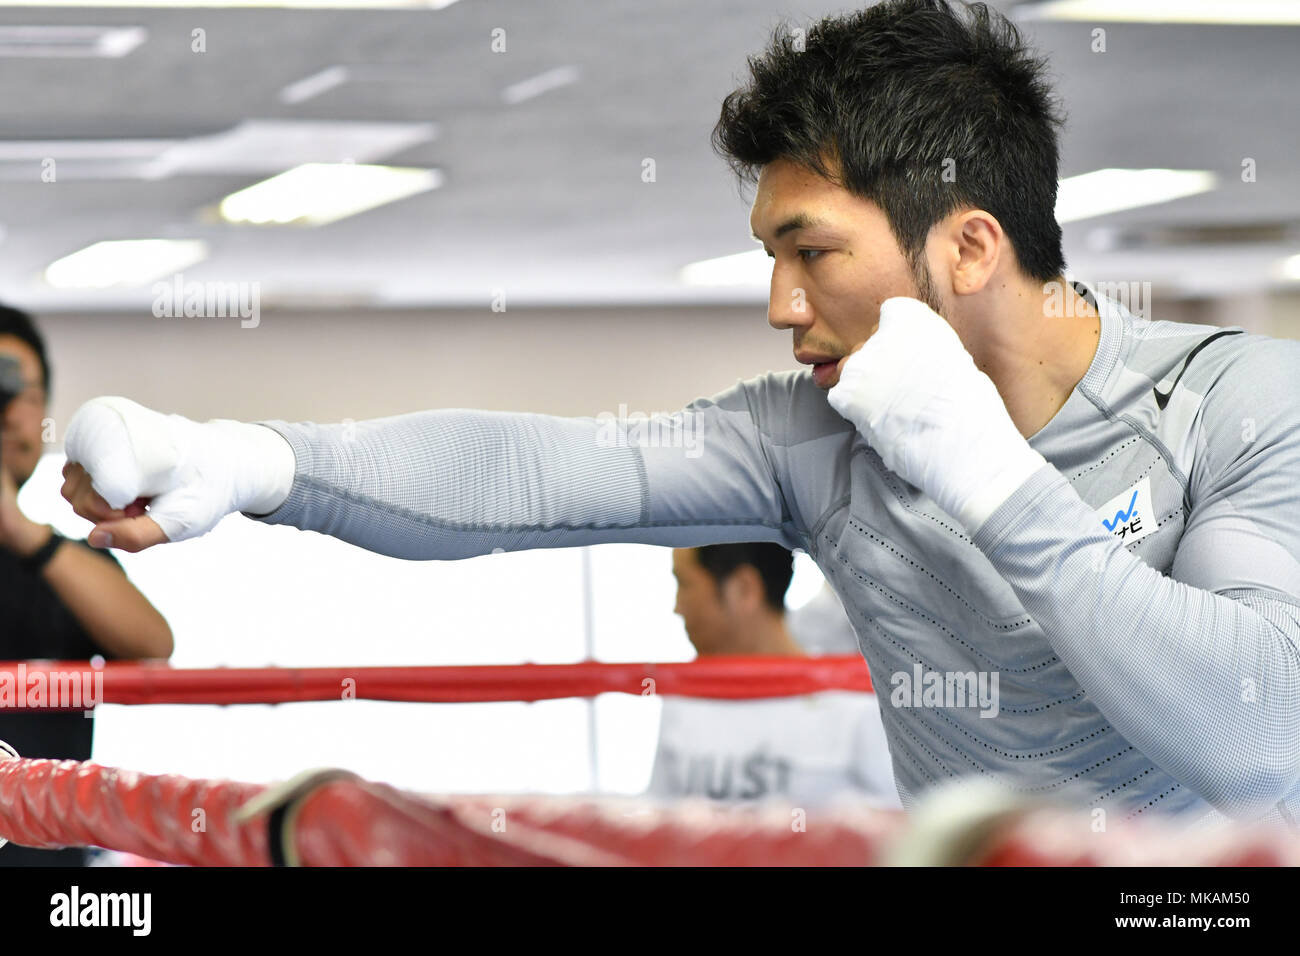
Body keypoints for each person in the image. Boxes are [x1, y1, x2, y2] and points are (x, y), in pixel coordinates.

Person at [58, 0, 1300, 827]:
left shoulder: (1231, 405)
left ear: (969, 245)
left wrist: (990, 476)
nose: (778, 302)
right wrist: (257, 461)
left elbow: (1256, 736)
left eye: (811, 250)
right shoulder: (820, 440)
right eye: (769, 253)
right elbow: (541, 471)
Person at [0, 305, 173, 867]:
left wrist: (23, 532)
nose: (5, 415)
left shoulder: (68, 565)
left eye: (19, 392)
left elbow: (153, 645)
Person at [650, 543, 899, 807]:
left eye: (685, 584)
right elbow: (656, 825)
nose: (678, 607)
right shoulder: (683, 700)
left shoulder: (853, 704)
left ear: (744, 589)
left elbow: (898, 834)